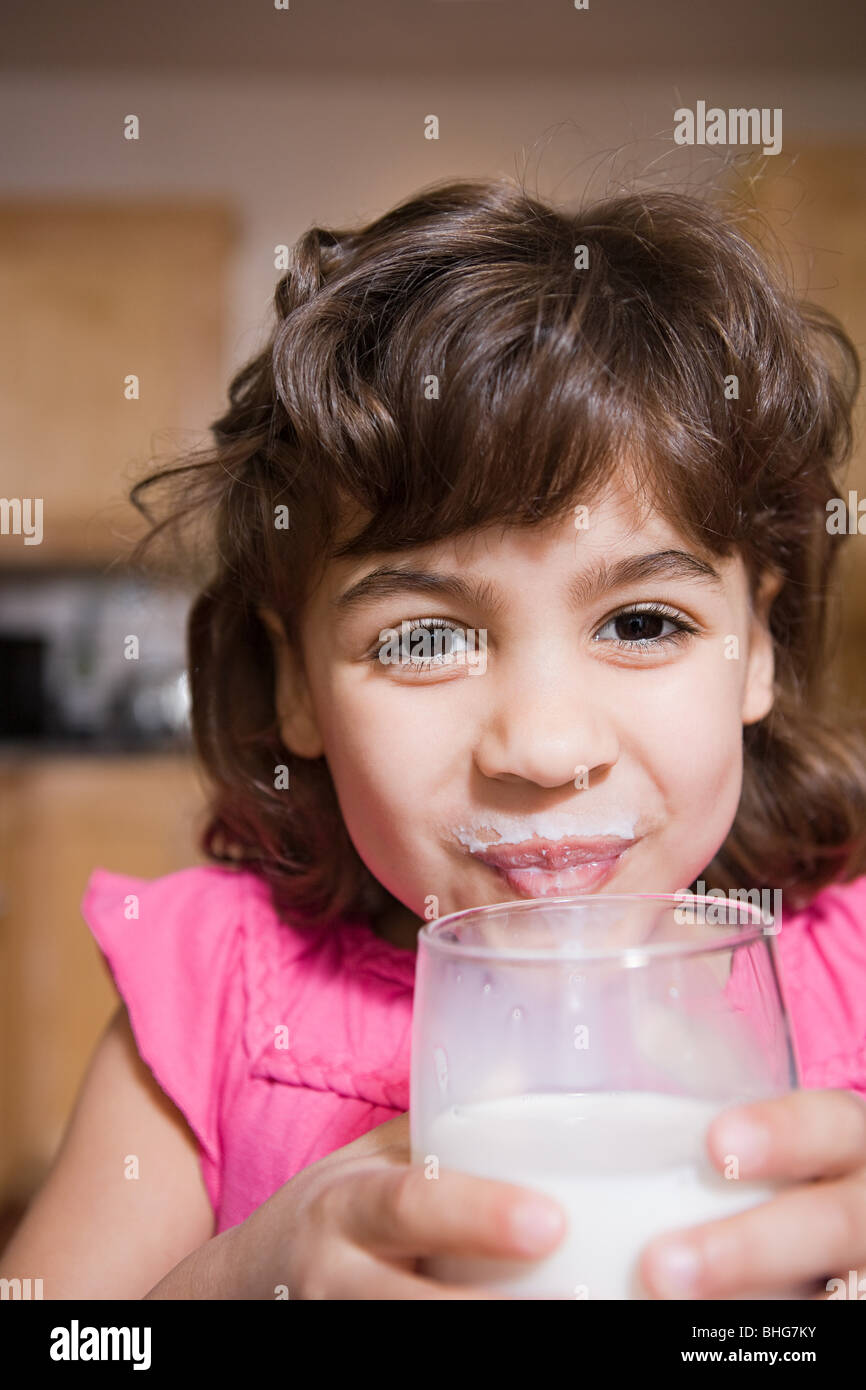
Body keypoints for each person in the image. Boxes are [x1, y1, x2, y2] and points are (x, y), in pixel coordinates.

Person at [3, 176, 866, 1301]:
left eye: (643, 621)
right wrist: (238, 1285)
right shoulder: (219, 996)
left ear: (755, 647)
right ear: (294, 683)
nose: (544, 748)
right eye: (420, 640)